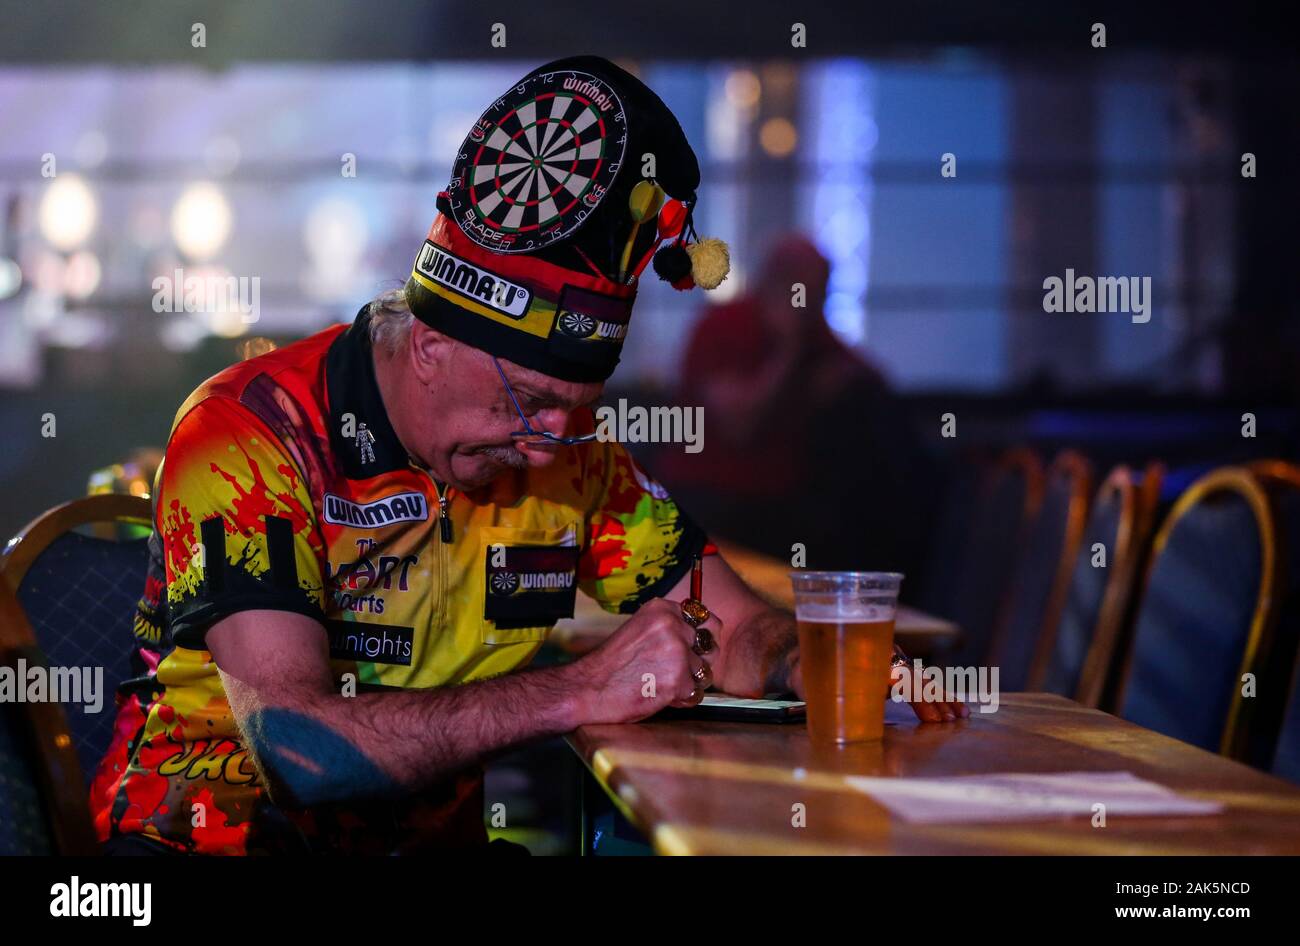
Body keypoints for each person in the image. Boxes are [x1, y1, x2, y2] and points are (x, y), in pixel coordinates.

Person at [91, 58, 964, 855]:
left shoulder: (566, 458)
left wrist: (819, 664)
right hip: (199, 841)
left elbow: (735, 624)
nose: (549, 439)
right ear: (427, 344)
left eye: (577, 411)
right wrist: (581, 691)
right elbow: (303, 753)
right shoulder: (250, 431)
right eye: (530, 401)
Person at [658, 234, 935, 580]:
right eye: (810, 291)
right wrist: (787, 353)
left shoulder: (815, 334)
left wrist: (843, 379)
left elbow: (870, 379)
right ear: (779, 283)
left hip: (787, 504)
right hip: (713, 500)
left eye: (822, 294)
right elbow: (739, 426)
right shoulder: (724, 326)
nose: (817, 302)